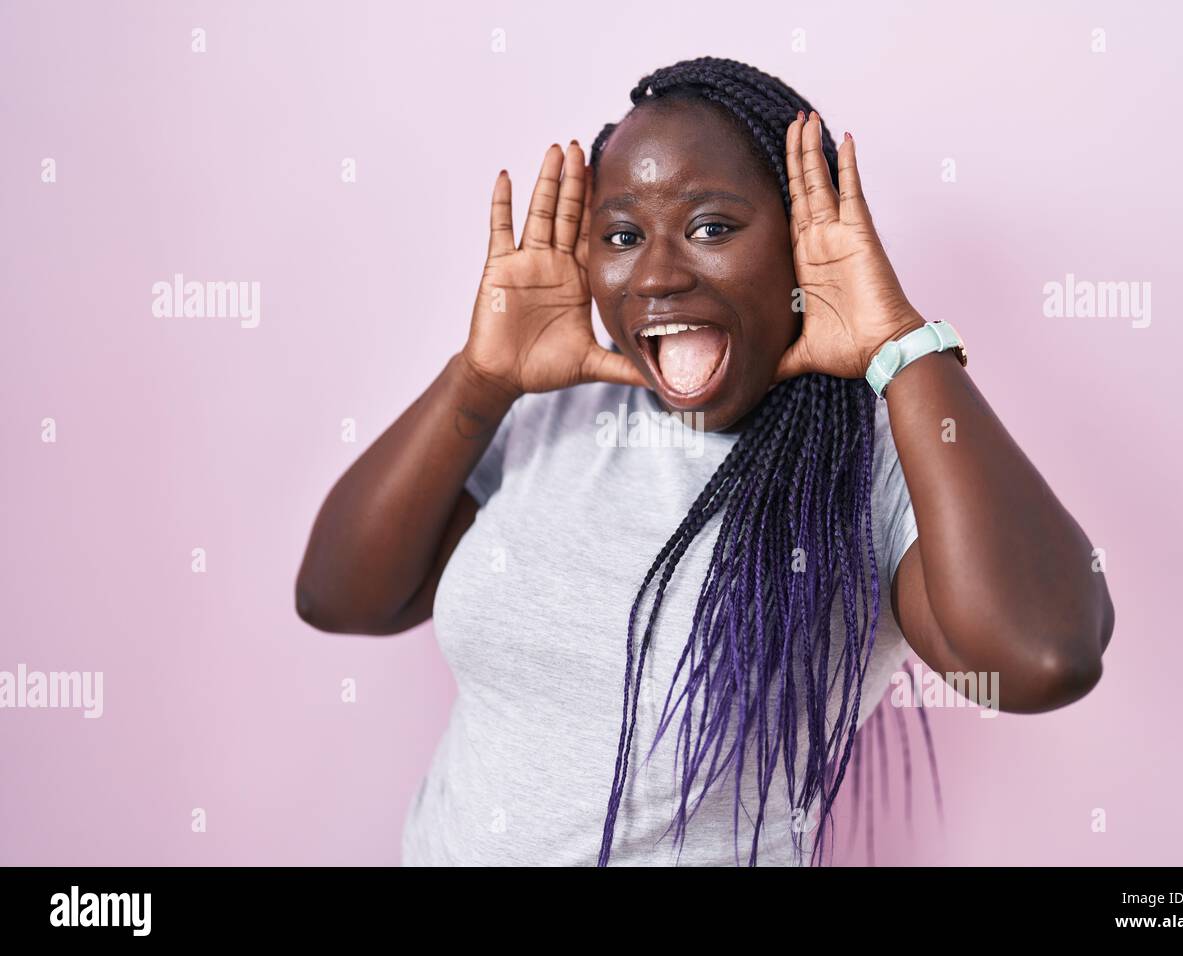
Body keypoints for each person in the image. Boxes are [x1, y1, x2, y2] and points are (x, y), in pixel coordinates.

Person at [295, 56, 1115, 867]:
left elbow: (1043, 658)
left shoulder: (876, 460)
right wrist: (479, 381)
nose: (655, 273)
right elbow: (342, 598)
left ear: (805, 244)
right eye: (621, 236)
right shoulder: (551, 416)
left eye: (712, 227)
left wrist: (899, 344)